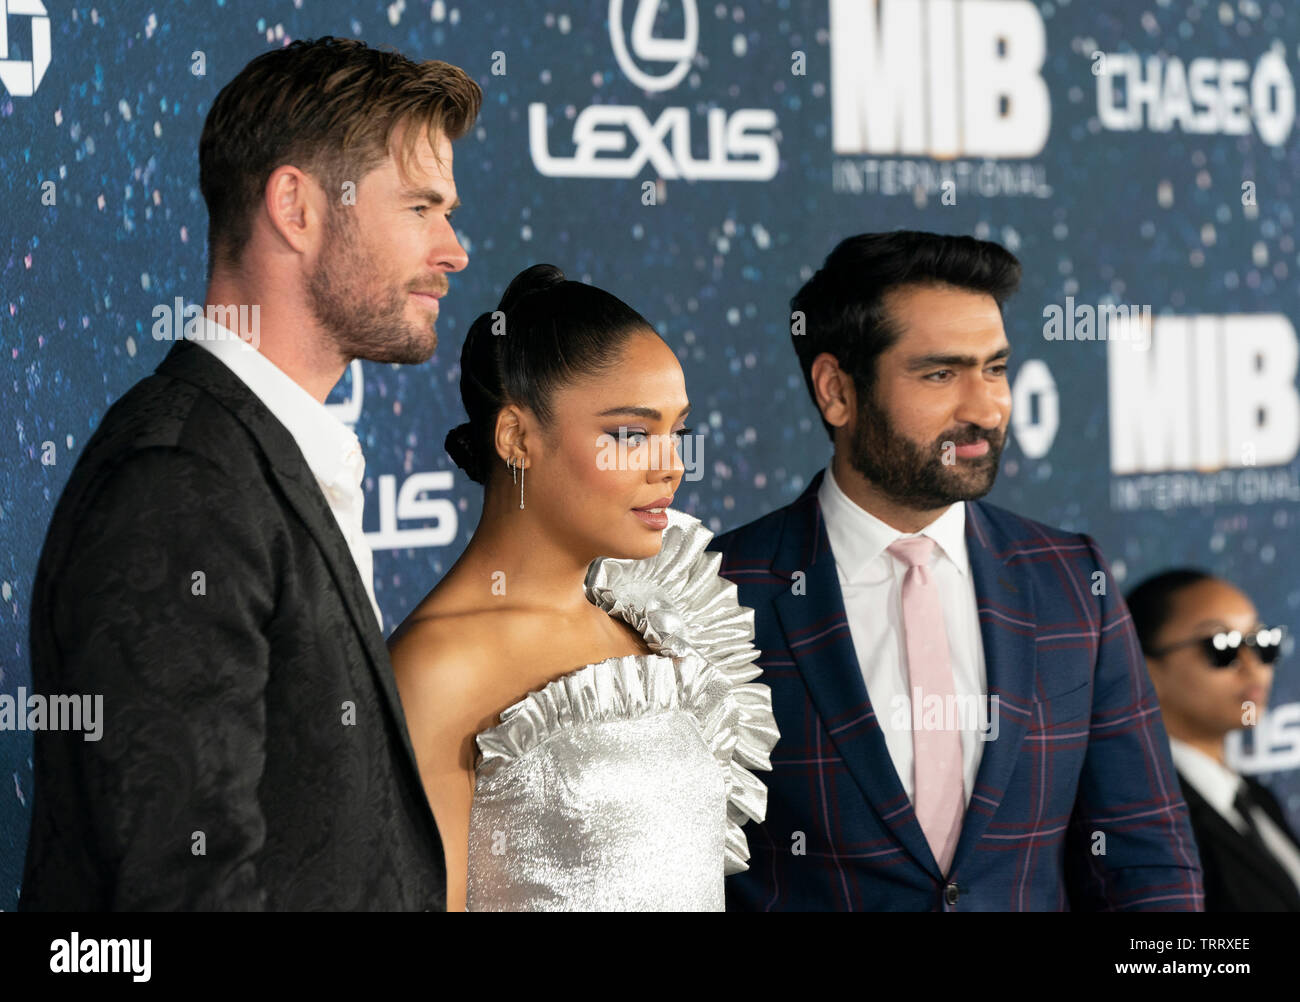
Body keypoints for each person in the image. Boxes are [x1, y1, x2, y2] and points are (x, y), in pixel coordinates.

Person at [19, 37, 480, 910]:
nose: (453, 249)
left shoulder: (255, 453)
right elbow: (183, 890)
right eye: (421, 207)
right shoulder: (177, 482)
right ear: (297, 208)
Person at [709, 230, 1203, 910]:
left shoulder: (1071, 581)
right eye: (941, 374)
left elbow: (1144, 852)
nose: (985, 408)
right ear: (836, 391)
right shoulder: (721, 593)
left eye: (995, 368)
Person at [388, 264, 779, 911]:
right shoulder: (438, 668)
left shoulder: (663, 619)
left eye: (676, 431)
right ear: (516, 437)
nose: (672, 465)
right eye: (631, 434)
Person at [1128, 569, 1300, 911]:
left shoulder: (1255, 797)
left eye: (1260, 642)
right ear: (1142, 668)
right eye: (1221, 647)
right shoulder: (1145, 826)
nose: (1253, 667)